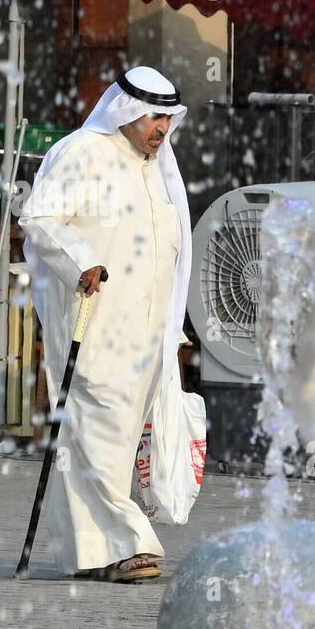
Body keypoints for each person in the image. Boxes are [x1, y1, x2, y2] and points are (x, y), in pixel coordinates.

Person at [19, 66, 192, 583]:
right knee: (97, 433)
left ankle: (92, 554)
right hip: (94, 322)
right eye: (152, 117)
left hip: (146, 333)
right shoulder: (82, 152)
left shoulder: (155, 166)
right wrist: (82, 261)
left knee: (105, 443)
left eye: (167, 117)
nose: (161, 128)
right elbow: (40, 217)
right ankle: (132, 542)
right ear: (126, 111)